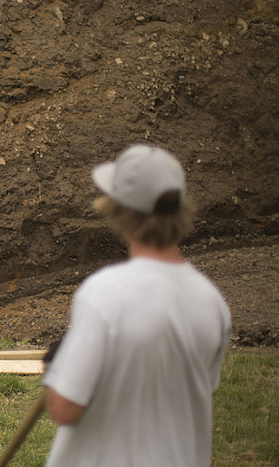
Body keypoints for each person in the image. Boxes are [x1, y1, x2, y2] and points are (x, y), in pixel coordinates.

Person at [43, 144, 231, 467]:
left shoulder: (104, 294)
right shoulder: (212, 303)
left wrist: (56, 369)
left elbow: (64, 408)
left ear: (118, 209)